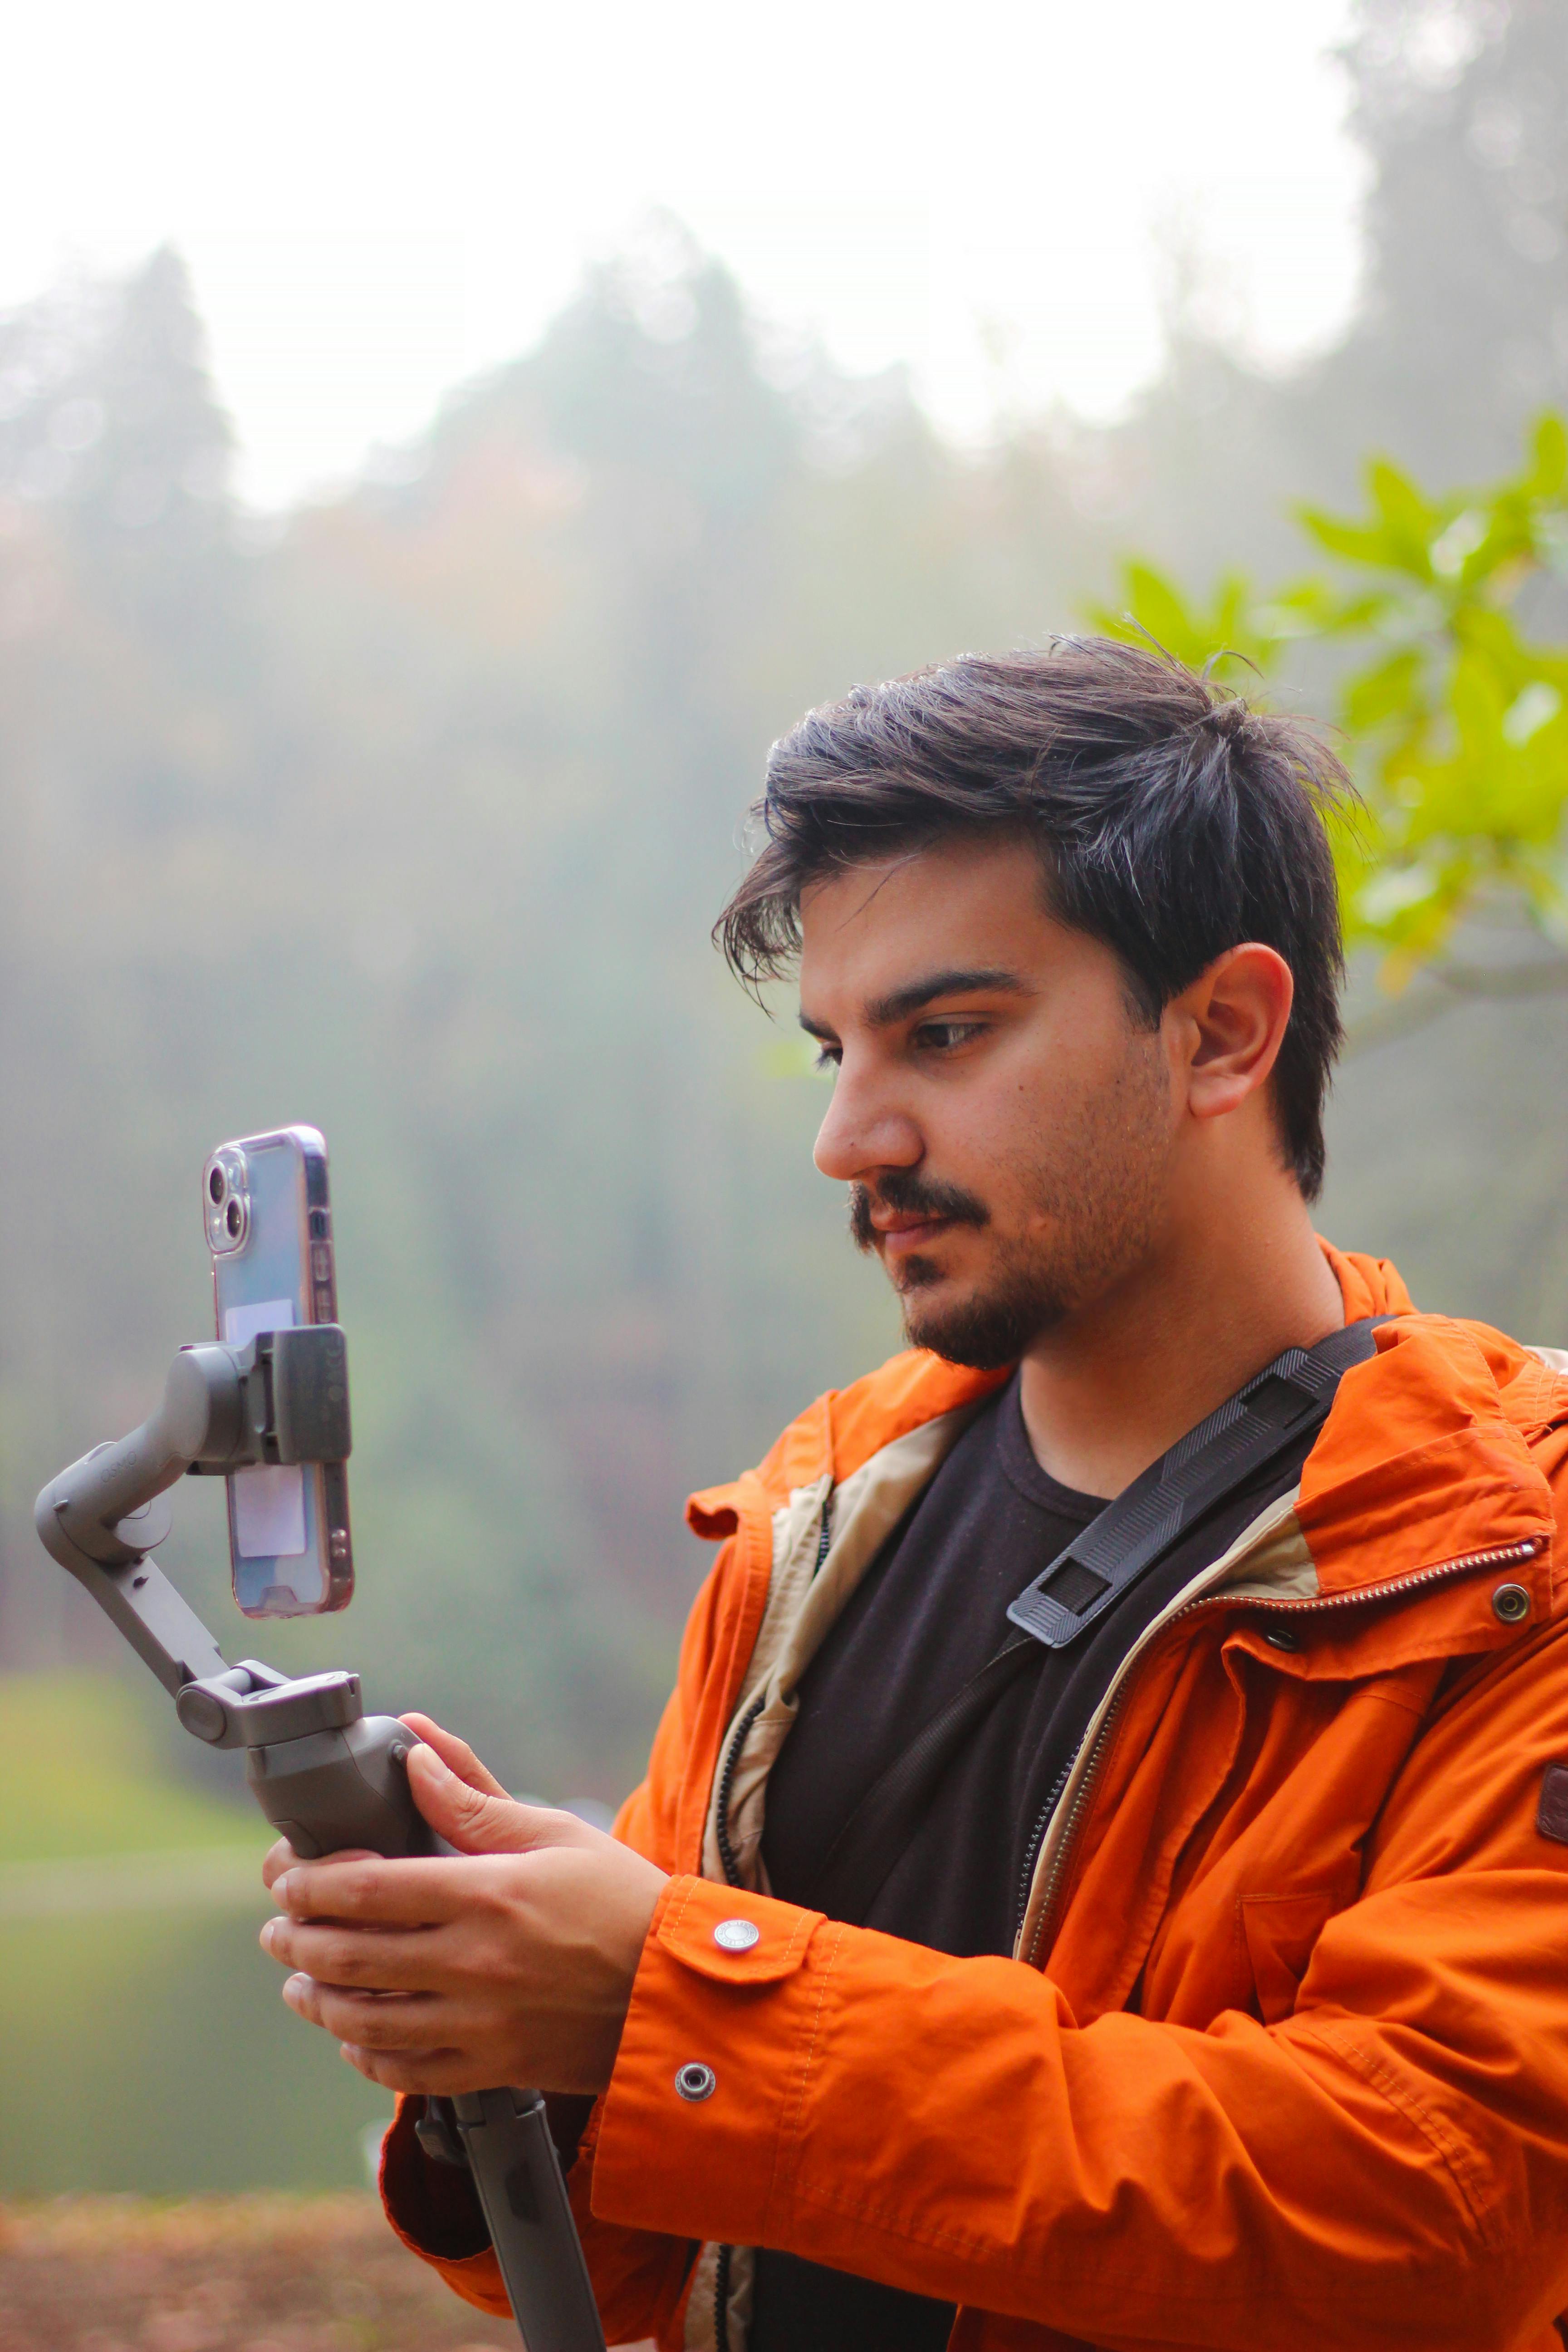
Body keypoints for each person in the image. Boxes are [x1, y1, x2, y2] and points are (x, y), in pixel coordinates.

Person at [260, 641, 1568, 2352]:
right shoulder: (818, 1518)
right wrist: (509, 2036)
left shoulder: (1510, 1551)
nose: (852, 1138)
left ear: (1225, 1033)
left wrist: (667, 1994)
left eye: (945, 1035)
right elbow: (644, 2243)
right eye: (834, 1054)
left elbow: (1425, 2212)